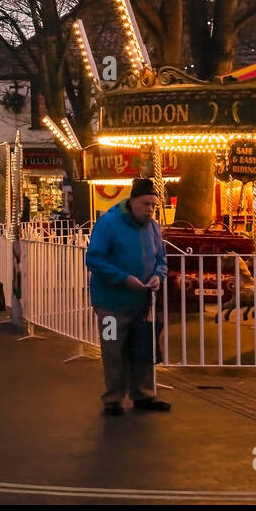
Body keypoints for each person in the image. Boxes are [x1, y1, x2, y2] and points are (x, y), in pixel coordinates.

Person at [84, 178, 170, 415]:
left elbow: (161, 258)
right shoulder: (108, 224)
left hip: (140, 304)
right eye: (146, 204)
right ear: (132, 202)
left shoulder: (153, 227)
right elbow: (94, 258)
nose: (150, 209)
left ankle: (143, 395)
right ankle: (113, 398)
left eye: (153, 205)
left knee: (142, 348)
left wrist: (158, 276)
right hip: (111, 303)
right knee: (113, 350)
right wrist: (123, 278)